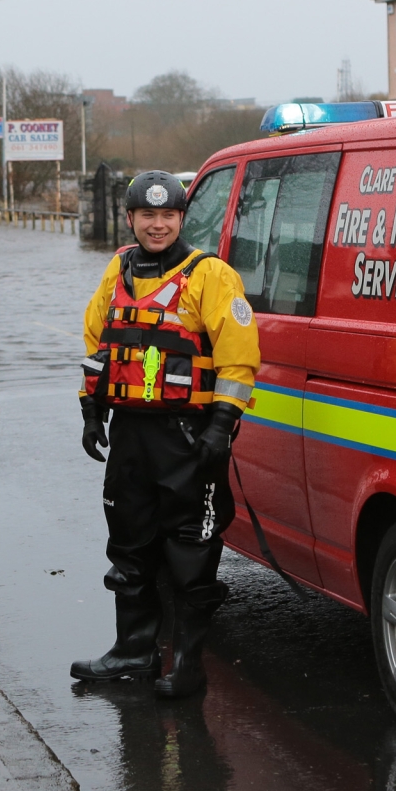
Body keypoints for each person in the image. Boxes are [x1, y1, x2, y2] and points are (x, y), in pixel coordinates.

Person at [71, 171, 259, 699]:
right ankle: (132, 651)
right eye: (147, 216)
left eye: (168, 216)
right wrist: (91, 410)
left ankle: (188, 664)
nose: (158, 225)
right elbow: (96, 341)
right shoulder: (118, 271)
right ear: (130, 219)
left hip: (189, 436)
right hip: (131, 434)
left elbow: (239, 360)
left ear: (182, 219)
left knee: (189, 553)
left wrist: (221, 426)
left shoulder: (211, 275)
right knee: (129, 546)